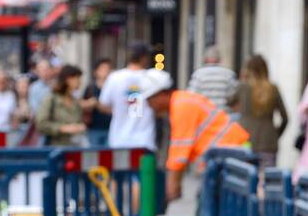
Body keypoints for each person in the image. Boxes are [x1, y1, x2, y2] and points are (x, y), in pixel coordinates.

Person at [141, 70, 250, 201]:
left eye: (149, 99)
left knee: (217, 207)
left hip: (230, 153)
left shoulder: (181, 107)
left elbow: (179, 153)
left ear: (160, 94)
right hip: (229, 152)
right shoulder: (182, 101)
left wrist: (172, 186)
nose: (149, 105)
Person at [228, 54, 288, 171]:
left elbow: (229, 101)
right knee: (267, 181)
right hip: (269, 143)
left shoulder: (243, 87)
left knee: (246, 180)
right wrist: (276, 134)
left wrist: (242, 79)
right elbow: (285, 118)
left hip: (246, 141)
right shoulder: (273, 88)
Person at [99, 43, 155, 150]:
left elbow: (103, 104)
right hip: (145, 141)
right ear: (144, 57)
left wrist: (119, 109)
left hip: (119, 140)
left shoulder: (114, 77)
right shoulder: (152, 77)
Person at [35, 63, 87, 145]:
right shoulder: (51, 99)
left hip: (74, 149)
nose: (79, 82)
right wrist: (63, 128)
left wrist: (79, 127)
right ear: (68, 79)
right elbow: (41, 124)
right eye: (77, 78)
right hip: (56, 151)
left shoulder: (75, 101)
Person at [83, 58, 113, 146]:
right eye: (102, 69)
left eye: (108, 69)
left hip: (110, 128)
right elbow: (81, 104)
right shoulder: (90, 88)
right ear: (96, 71)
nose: (105, 72)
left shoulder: (113, 87)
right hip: (94, 128)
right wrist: (90, 103)